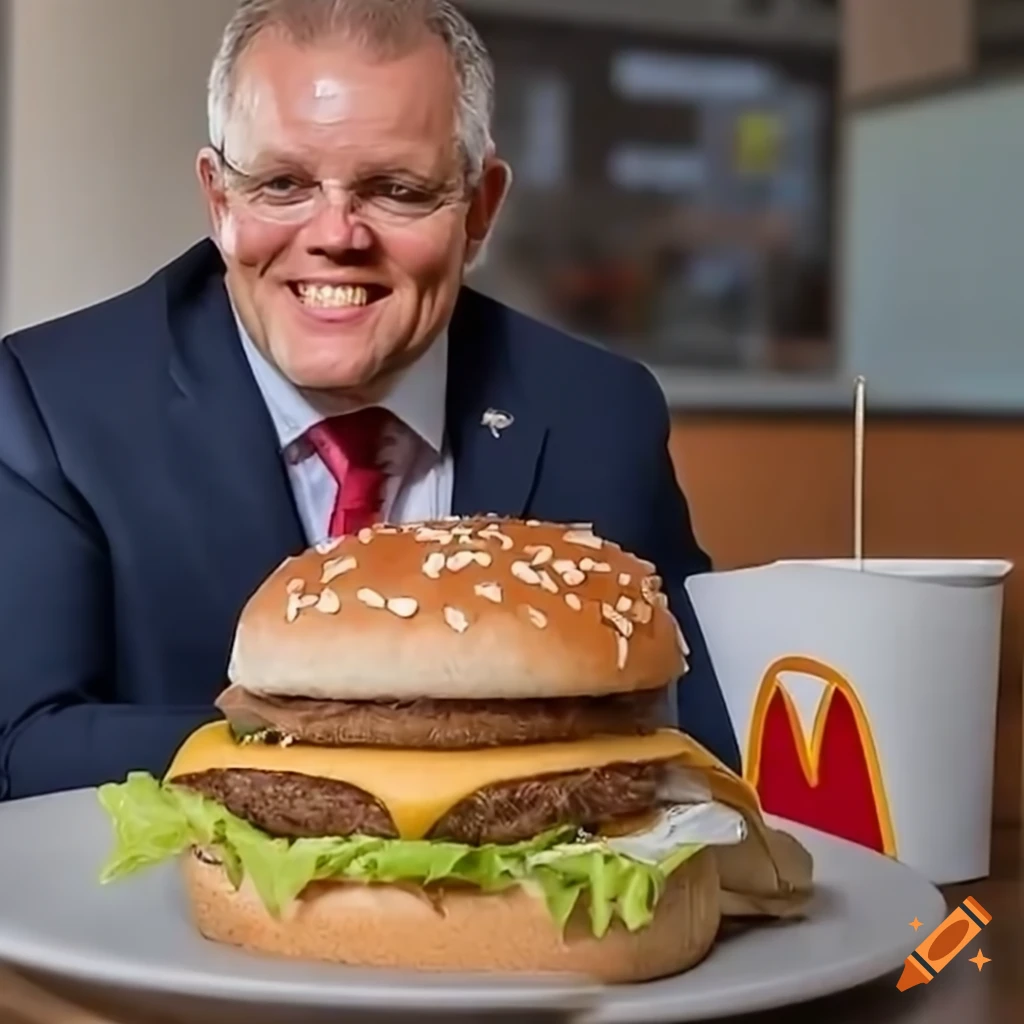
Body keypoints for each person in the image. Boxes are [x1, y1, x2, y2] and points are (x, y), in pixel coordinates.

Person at [0, 0, 739, 801]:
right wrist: (364, 745)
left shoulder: (601, 413)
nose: (336, 235)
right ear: (219, 200)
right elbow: (25, 745)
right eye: (281, 184)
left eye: (396, 190)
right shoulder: (51, 404)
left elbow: (699, 725)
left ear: (481, 205)